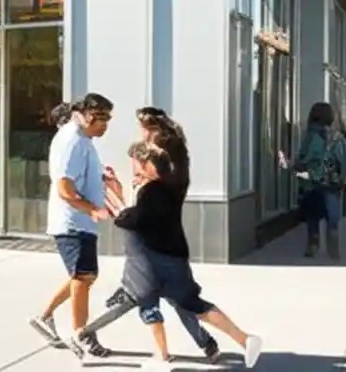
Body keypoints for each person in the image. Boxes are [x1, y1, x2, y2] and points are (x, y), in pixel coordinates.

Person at [69, 107, 219, 363]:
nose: (144, 135)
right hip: (152, 243)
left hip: (153, 243)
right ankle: (203, 344)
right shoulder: (165, 166)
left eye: (147, 129)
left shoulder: (163, 168)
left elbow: (136, 213)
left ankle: (203, 344)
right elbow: (135, 211)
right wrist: (118, 191)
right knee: (163, 297)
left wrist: (118, 198)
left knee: (156, 297)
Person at [112, 134, 263, 369]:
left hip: (164, 259)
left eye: (136, 165)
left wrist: (118, 205)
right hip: (168, 257)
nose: (134, 171)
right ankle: (236, 341)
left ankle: (241, 340)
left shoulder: (154, 191)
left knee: (183, 303)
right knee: (186, 304)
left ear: (149, 165)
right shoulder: (163, 187)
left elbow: (137, 220)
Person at [28, 93, 115, 358]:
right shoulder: (71, 140)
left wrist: (101, 177)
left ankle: (45, 317)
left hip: (80, 222)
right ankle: (81, 334)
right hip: (72, 223)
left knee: (83, 276)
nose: (106, 125)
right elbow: (65, 187)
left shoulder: (83, 139)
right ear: (87, 115)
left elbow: (78, 175)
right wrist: (93, 209)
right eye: (103, 118)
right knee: (83, 277)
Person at [287, 103, 346, 259]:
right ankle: (333, 249)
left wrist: (297, 170)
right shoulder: (338, 139)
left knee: (312, 216)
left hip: (312, 184)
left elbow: (303, 158)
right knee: (332, 218)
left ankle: (313, 244)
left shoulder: (310, 136)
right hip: (332, 184)